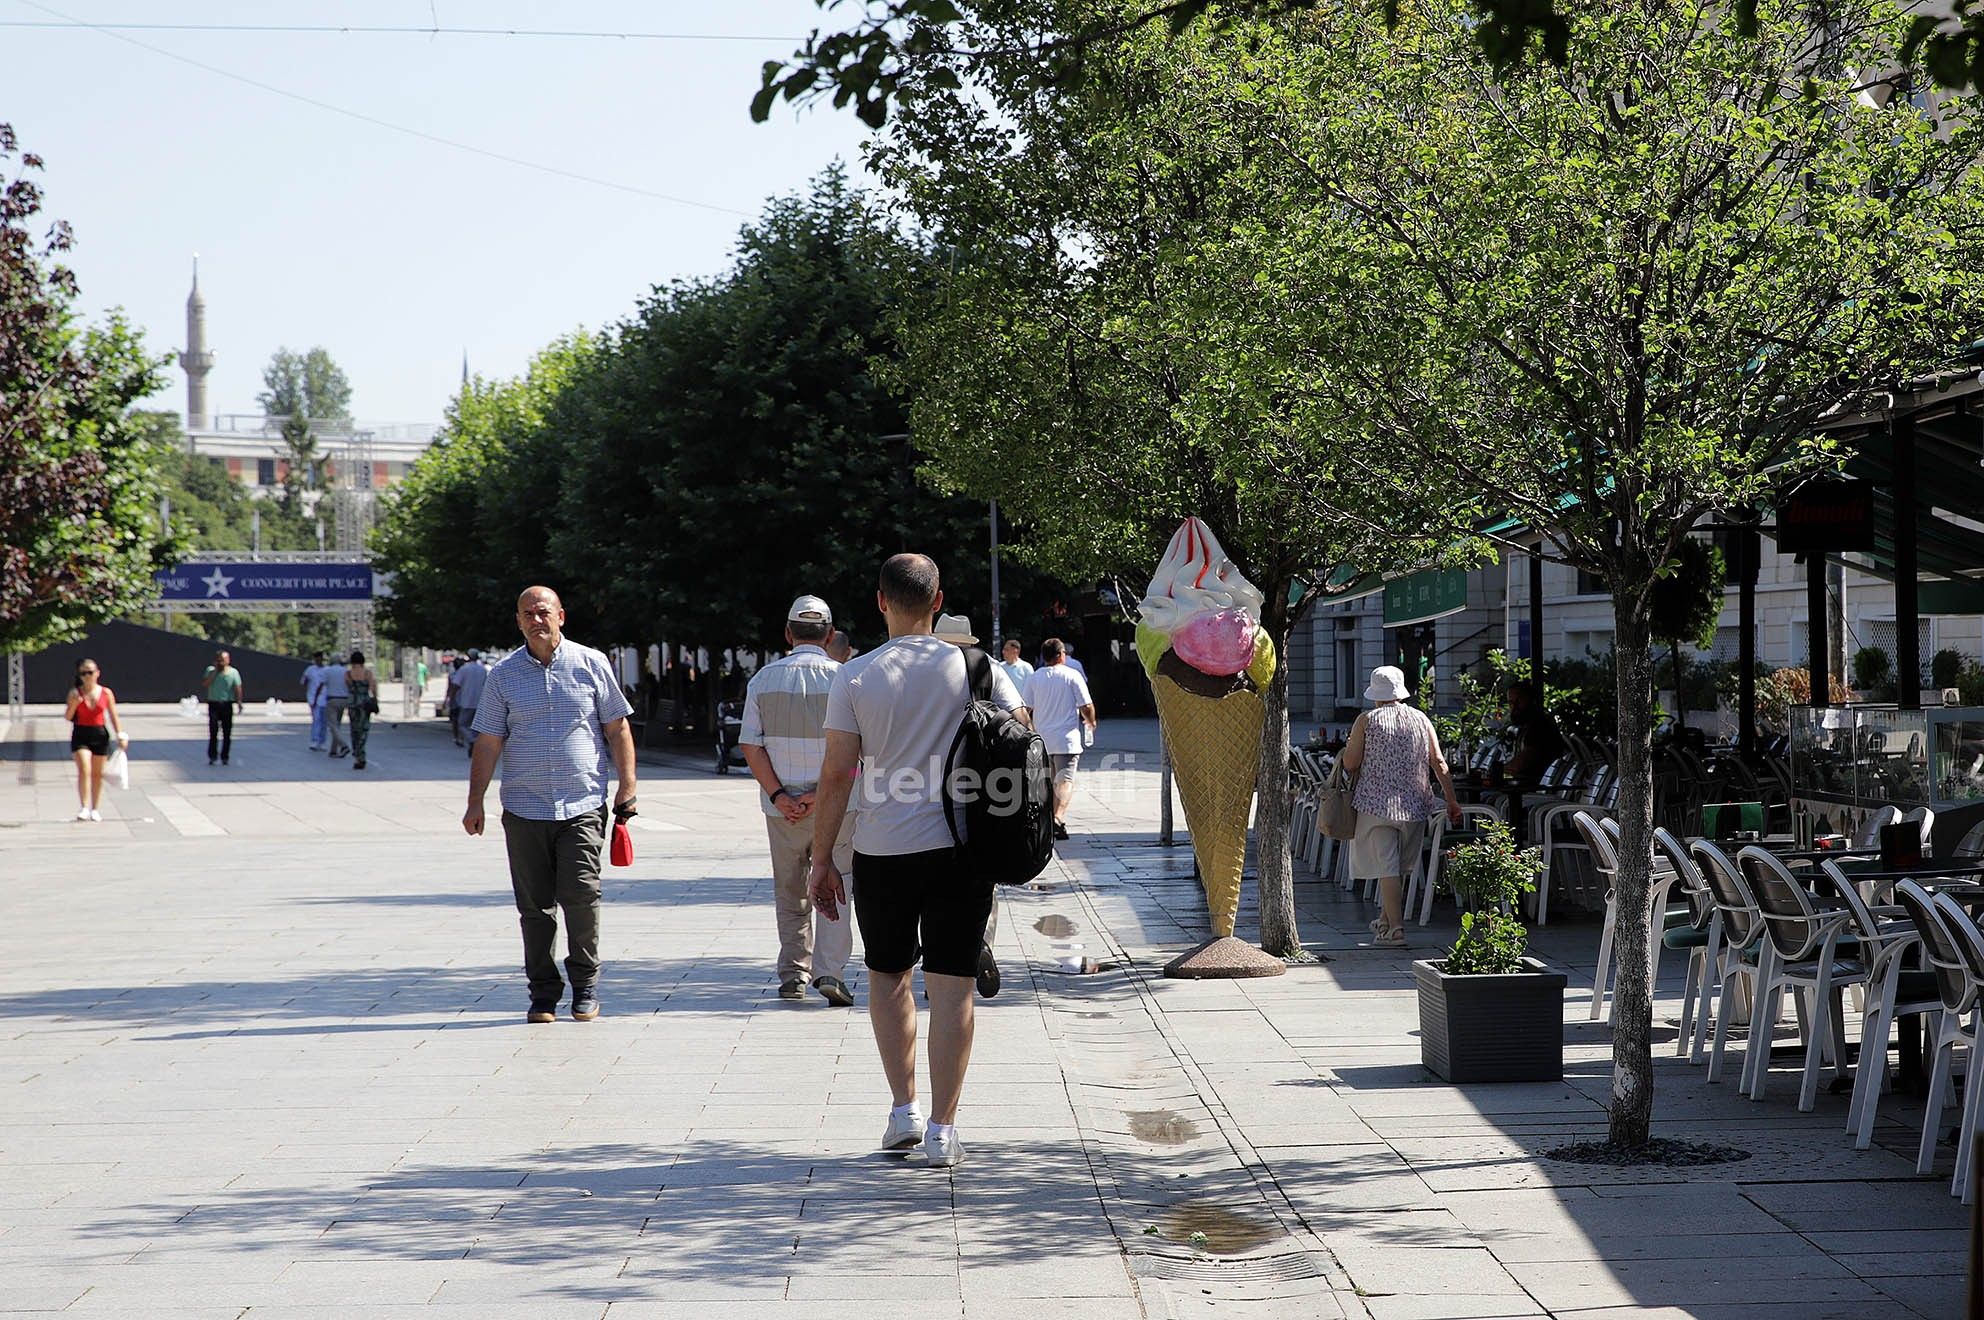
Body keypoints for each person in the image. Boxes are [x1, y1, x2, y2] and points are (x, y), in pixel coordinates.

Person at [807, 554, 1025, 1169]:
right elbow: (1020, 732)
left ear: (881, 602)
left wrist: (822, 858)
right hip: (963, 851)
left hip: (883, 851)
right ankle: (942, 1129)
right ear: (938, 600)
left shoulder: (855, 676)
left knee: (887, 977)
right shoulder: (978, 667)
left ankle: (901, 1112)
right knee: (953, 989)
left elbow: (836, 774)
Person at [466, 586, 636, 1024]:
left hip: (582, 804)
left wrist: (627, 787)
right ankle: (543, 994)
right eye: (527, 614)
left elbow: (617, 729)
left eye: (543, 612)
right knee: (534, 908)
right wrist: (475, 802)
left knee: (581, 896)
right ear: (518, 621)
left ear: (561, 615)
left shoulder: (591, 663)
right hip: (524, 807)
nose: (536, 620)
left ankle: (585, 987)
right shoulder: (502, 675)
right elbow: (488, 740)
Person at [739, 595, 858, 1007]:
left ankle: (793, 973)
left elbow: (751, 745)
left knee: (791, 890)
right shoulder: (844, 680)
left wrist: (780, 795)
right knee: (837, 882)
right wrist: (818, 794)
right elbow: (860, 752)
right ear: (829, 635)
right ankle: (830, 971)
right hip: (838, 807)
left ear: (788, 633)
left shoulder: (763, 680)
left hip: (782, 809)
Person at [932, 614, 1032, 999]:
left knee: (933, 883)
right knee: (981, 875)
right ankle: (979, 942)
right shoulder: (986, 668)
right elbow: (1021, 724)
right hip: (983, 791)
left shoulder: (919, 670)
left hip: (921, 793)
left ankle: (937, 965)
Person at [1339, 665, 1461, 948]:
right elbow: (1439, 763)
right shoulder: (1421, 719)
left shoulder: (1366, 720)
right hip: (1415, 805)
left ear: (1375, 694)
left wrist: (1348, 749)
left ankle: (1395, 929)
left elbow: (1351, 763)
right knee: (1395, 867)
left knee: (1387, 866)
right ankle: (1384, 921)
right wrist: (1452, 800)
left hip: (1375, 804)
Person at [1023, 638, 1095, 842]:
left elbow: (1025, 709)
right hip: (1066, 739)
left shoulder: (1034, 678)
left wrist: (1029, 730)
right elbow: (1086, 705)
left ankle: (1049, 822)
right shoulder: (1072, 675)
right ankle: (1057, 817)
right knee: (1064, 780)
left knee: (1047, 782)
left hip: (1042, 739)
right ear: (1061, 655)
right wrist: (1091, 721)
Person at [1501, 680, 1566, 842]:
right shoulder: (1528, 726)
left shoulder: (1539, 727)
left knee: (1493, 801)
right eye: (1510, 702)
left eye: (1519, 701)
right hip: (1531, 790)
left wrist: (1498, 772)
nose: (1514, 707)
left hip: (1536, 791)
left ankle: (1508, 846)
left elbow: (1518, 765)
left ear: (1531, 700)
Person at [64, 659, 126, 821]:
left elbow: (113, 715)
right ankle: (84, 807)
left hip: (99, 734)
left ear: (97, 673)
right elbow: (68, 717)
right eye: (83, 673)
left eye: (90, 672)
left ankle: (95, 808)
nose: (87, 676)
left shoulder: (106, 693)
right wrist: (75, 704)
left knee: (97, 774)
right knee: (85, 769)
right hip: (81, 733)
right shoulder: (75, 693)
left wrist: (120, 734)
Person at [200, 650, 244, 766]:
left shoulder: (233, 672)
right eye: (220, 660)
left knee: (227, 733)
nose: (222, 662)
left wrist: (239, 702)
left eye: (224, 660)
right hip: (213, 704)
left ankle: (225, 756)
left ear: (228, 660)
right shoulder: (210, 671)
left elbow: (238, 687)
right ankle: (212, 756)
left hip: (227, 704)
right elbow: (205, 684)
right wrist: (215, 672)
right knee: (213, 731)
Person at [455, 650, 490, 759]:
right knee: (477, 726)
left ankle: (472, 741)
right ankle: (476, 745)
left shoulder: (464, 669)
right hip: (480, 702)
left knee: (462, 724)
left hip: (466, 701)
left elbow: (456, 684)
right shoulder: (482, 669)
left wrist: (451, 697)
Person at [345, 650, 376, 771]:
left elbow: (348, 687)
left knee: (354, 729)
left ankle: (356, 754)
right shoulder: (368, 673)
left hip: (353, 703)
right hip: (364, 703)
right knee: (364, 728)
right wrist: (375, 700)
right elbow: (373, 687)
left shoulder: (348, 674)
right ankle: (361, 754)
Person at [320, 653, 353, 759]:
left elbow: (322, 683)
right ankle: (333, 750)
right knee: (337, 725)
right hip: (344, 699)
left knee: (332, 726)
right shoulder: (345, 671)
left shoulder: (327, 671)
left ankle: (343, 745)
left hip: (332, 699)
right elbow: (350, 684)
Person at [301, 652, 330, 751]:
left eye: (320, 659)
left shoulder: (327, 670)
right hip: (313, 698)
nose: (318, 661)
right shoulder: (310, 670)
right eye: (316, 659)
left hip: (325, 698)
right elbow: (303, 681)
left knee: (324, 721)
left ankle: (322, 742)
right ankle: (314, 741)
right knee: (316, 720)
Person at [446, 657, 467, 745]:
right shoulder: (466, 674)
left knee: (455, 720)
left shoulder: (453, 675)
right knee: (460, 720)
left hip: (457, 700)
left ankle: (457, 737)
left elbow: (450, 689)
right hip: (464, 700)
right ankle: (460, 738)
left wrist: (448, 699)